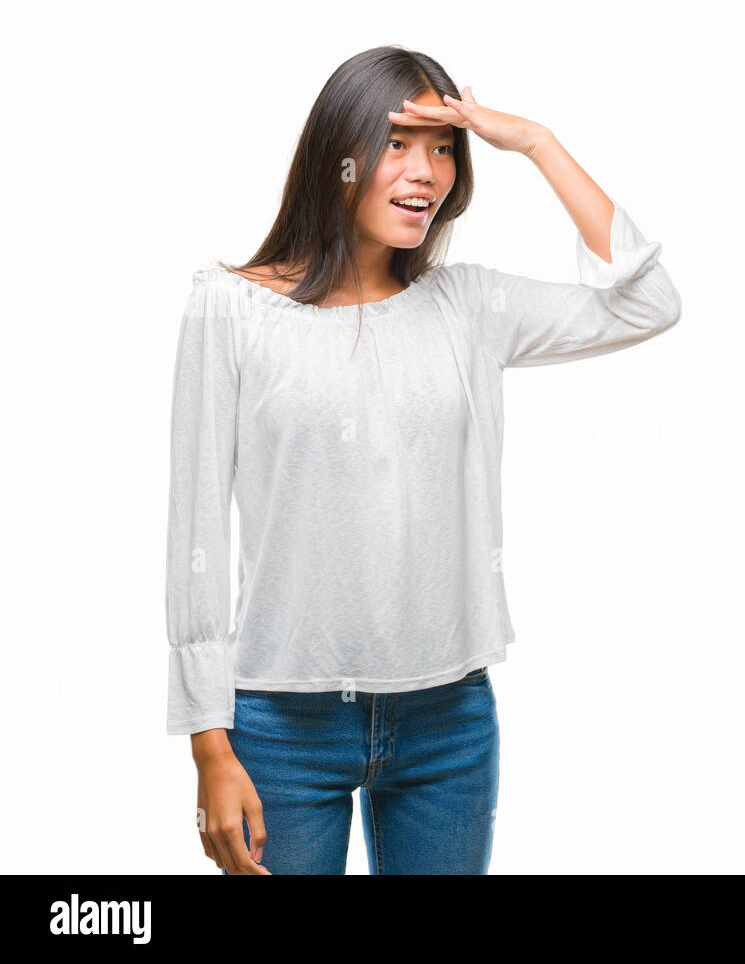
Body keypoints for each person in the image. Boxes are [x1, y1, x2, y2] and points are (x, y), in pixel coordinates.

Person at [165, 45, 682, 875]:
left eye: (443, 147)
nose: (427, 172)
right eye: (398, 143)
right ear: (338, 153)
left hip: (450, 722)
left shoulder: (470, 305)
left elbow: (650, 302)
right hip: (281, 726)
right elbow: (193, 528)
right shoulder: (230, 308)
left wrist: (537, 141)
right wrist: (207, 746)